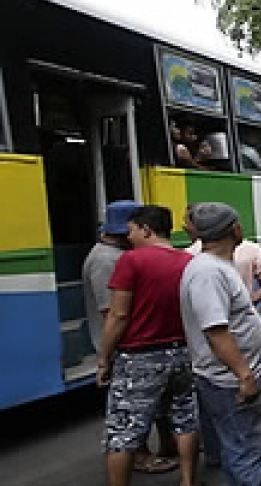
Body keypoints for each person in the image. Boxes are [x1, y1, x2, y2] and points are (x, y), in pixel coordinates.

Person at [97, 205, 198, 486]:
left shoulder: (131, 261)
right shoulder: (187, 261)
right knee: (185, 417)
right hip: (181, 352)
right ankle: (188, 480)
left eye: (131, 230)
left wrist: (104, 358)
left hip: (139, 356)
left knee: (123, 430)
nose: (129, 237)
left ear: (146, 229)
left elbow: (118, 315)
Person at [179, 202, 261, 486]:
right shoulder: (208, 272)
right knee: (246, 453)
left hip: (229, 378)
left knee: (243, 451)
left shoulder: (217, 267)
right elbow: (216, 333)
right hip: (228, 382)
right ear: (235, 230)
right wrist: (244, 375)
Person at [84, 200, 179, 474]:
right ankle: (139, 454)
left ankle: (164, 445)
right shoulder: (106, 259)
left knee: (154, 404)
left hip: (138, 344)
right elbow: (111, 314)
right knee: (130, 411)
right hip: (124, 346)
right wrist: (109, 355)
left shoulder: (122, 256)